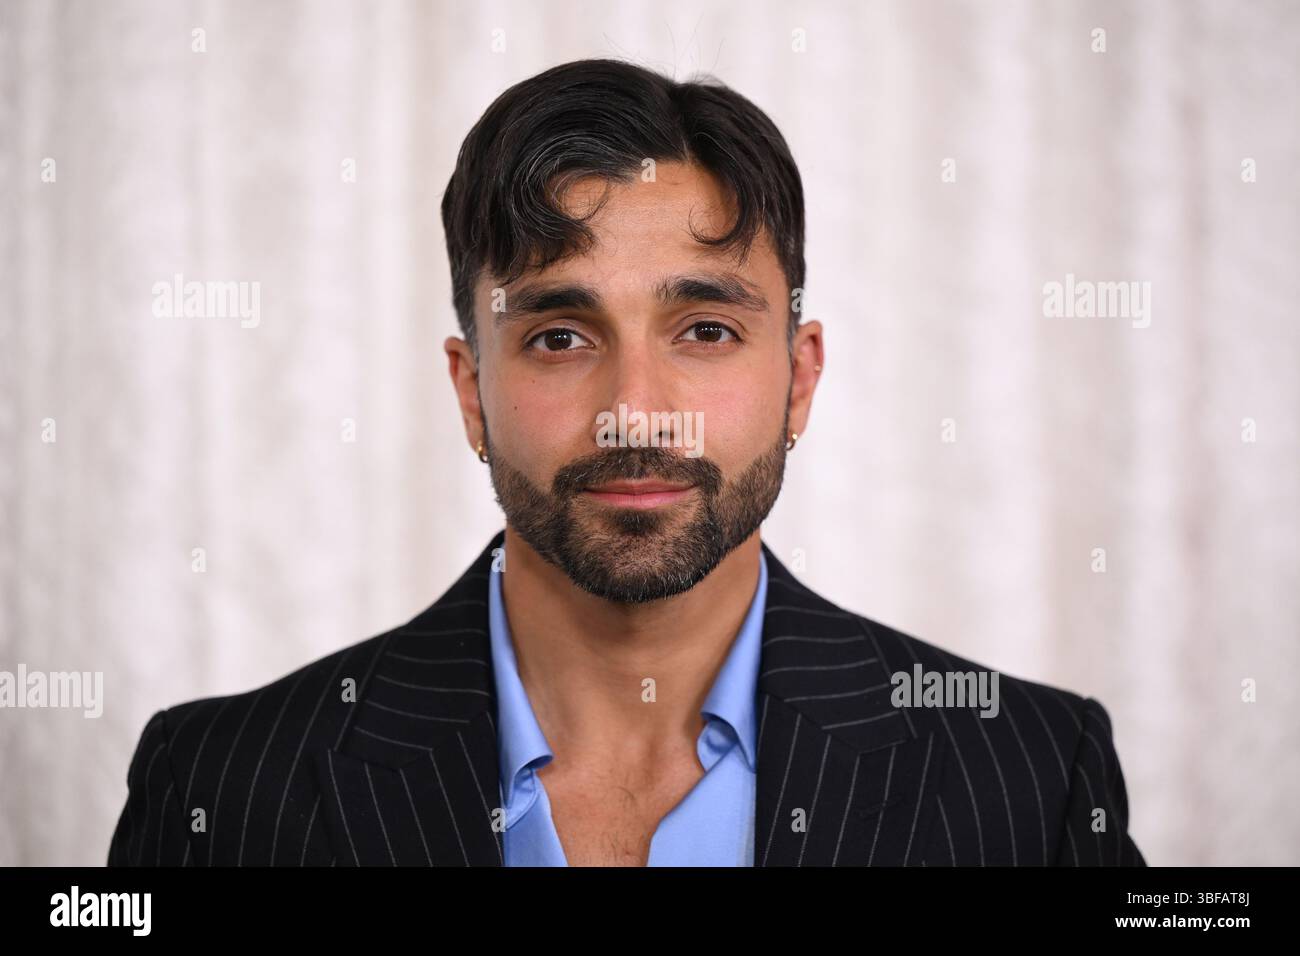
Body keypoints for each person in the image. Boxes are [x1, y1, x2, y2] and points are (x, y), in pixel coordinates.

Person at [108, 58, 1144, 867]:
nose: (633, 413)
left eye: (703, 329)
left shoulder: (1029, 775)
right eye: (560, 336)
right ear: (471, 390)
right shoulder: (222, 786)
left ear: (799, 378)